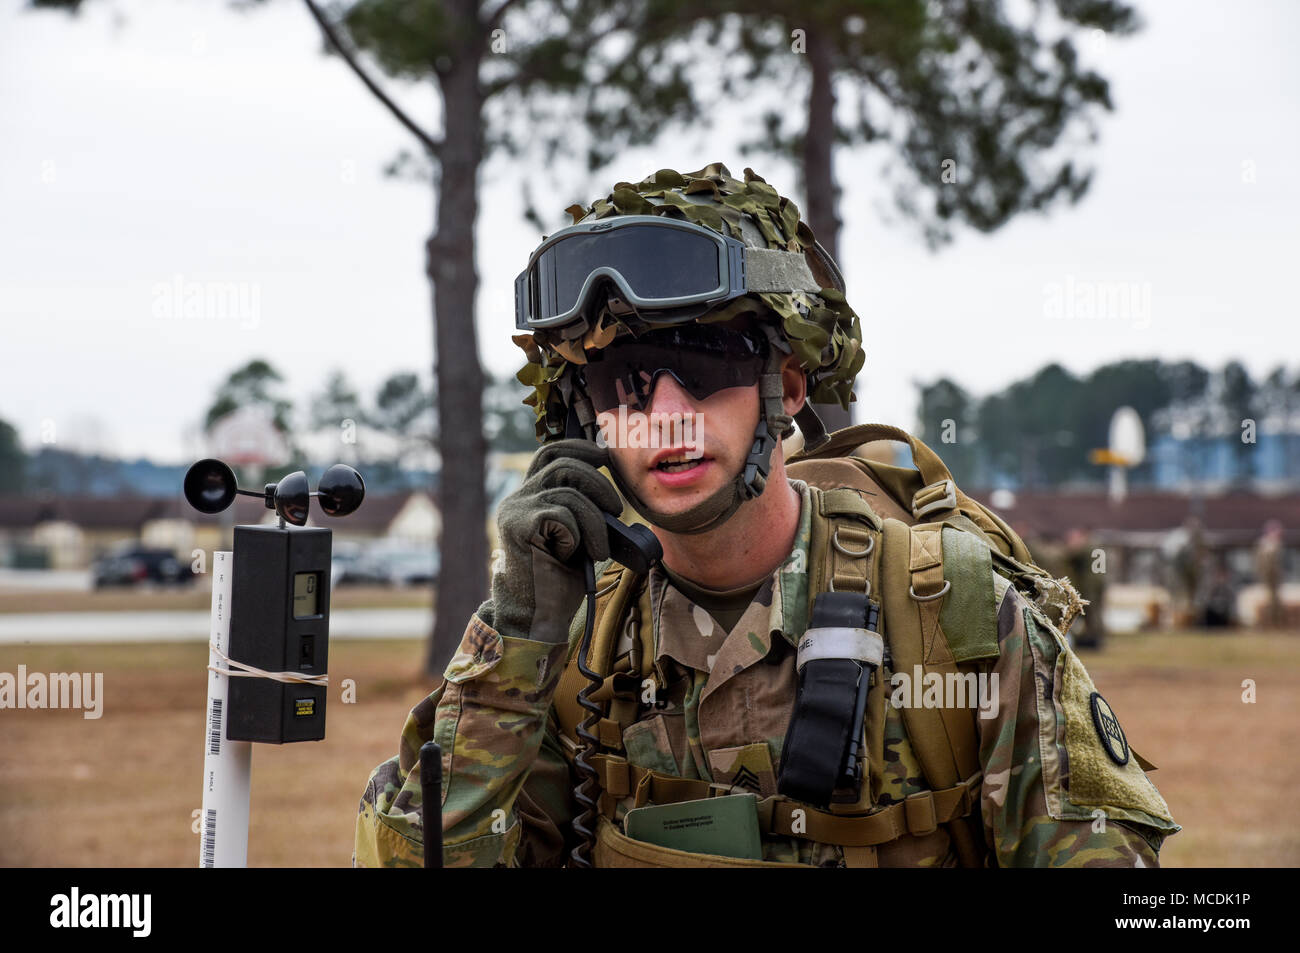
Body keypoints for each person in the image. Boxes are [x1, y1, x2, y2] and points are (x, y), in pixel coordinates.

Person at [353, 162, 1178, 868]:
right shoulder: (567, 654)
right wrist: (513, 645)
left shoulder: (958, 619)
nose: (665, 413)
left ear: (785, 388)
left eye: (702, 364)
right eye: (626, 382)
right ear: (587, 419)